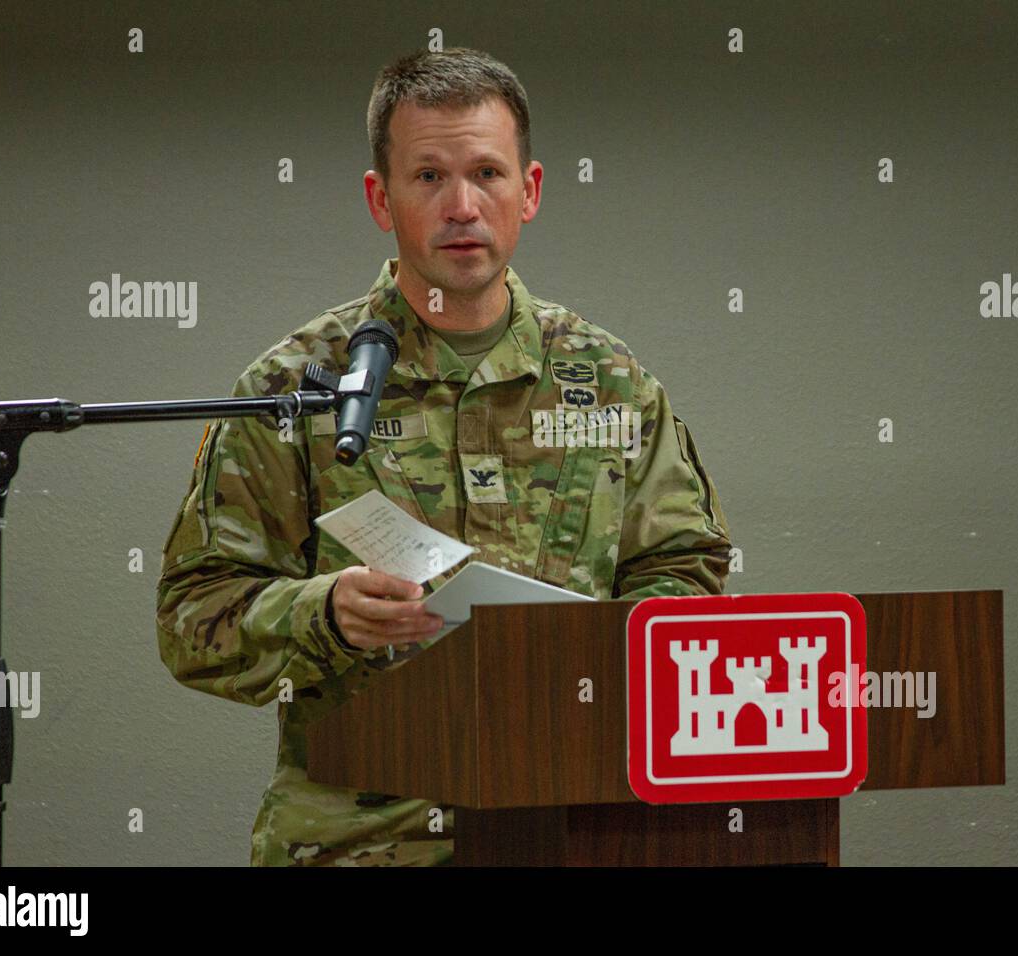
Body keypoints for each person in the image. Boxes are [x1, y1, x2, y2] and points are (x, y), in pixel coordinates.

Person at [155, 46, 732, 866]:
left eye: (488, 173)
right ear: (379, 197)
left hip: (572, 829)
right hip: (360, 842)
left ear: (528, 192)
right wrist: (326, 616)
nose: (463, 205)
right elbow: (191, 620)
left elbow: (687, 570)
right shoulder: (300, 386)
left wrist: (599, 652)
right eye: (428, 177)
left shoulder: (610, 384)